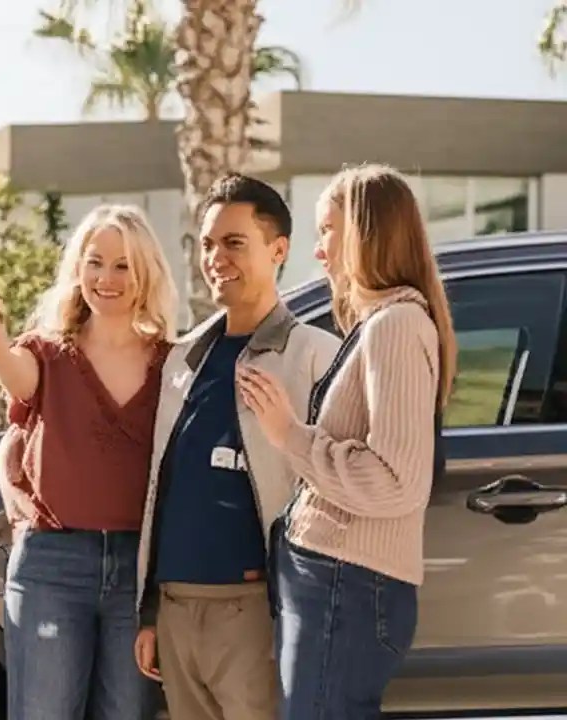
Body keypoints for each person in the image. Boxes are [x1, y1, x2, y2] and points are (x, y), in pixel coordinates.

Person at [238, 163, 457, 718]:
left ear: (366, 233)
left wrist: (291, 435)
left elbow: (398, 480)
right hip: (339, 581)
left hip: (346, 584)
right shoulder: (383, 325)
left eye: (328, 231)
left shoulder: (397, 328)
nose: (319, 251)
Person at [131, 173, 340, 720]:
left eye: (234, 243)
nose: (215, 257)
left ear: (279, 251)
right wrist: (153, 610)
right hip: (177, 611)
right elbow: (166, 485)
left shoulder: (317, 355)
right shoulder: (182, 360)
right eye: (206, 244)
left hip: (255, 616)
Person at [0, 204, 177, 720]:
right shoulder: (46, 352)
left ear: (146, 272)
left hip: (139, 572)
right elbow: (19, 381)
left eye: (123, 265)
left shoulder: (172, 363)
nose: (107, 278)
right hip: (51, 568)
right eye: (95, 262)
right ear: (78, 269)